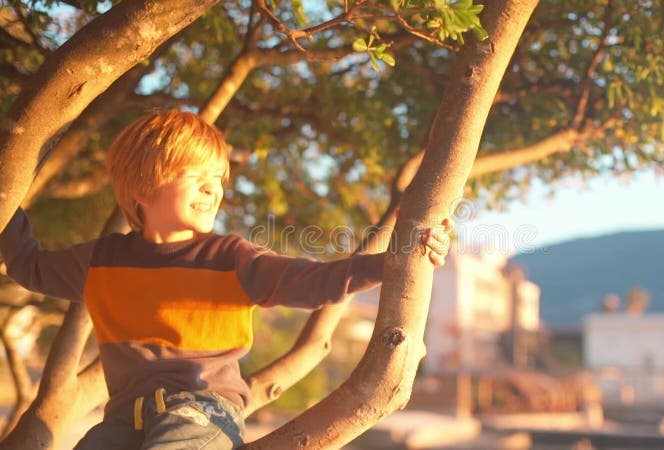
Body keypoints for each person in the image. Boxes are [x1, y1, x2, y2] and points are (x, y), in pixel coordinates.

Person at [0, 110, 451, 449]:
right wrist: (7, 197)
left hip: (203, 408)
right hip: (122, 418)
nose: (212, 189)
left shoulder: (230, 258)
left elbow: (313, 280)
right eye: (195, 177)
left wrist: (397, 259)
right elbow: (30, 266)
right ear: (143, 187)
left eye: (217, 178)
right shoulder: (102, 261)